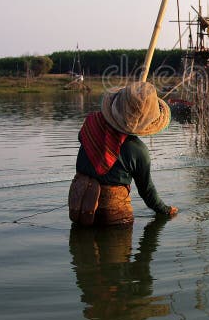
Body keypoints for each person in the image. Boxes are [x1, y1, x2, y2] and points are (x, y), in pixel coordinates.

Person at [68, 81, 178, 225]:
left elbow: (89, 137)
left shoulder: (90, 127)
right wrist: (166, 210)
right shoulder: (138, 151)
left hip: (80, 210)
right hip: (115, 219)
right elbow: (147, 192)